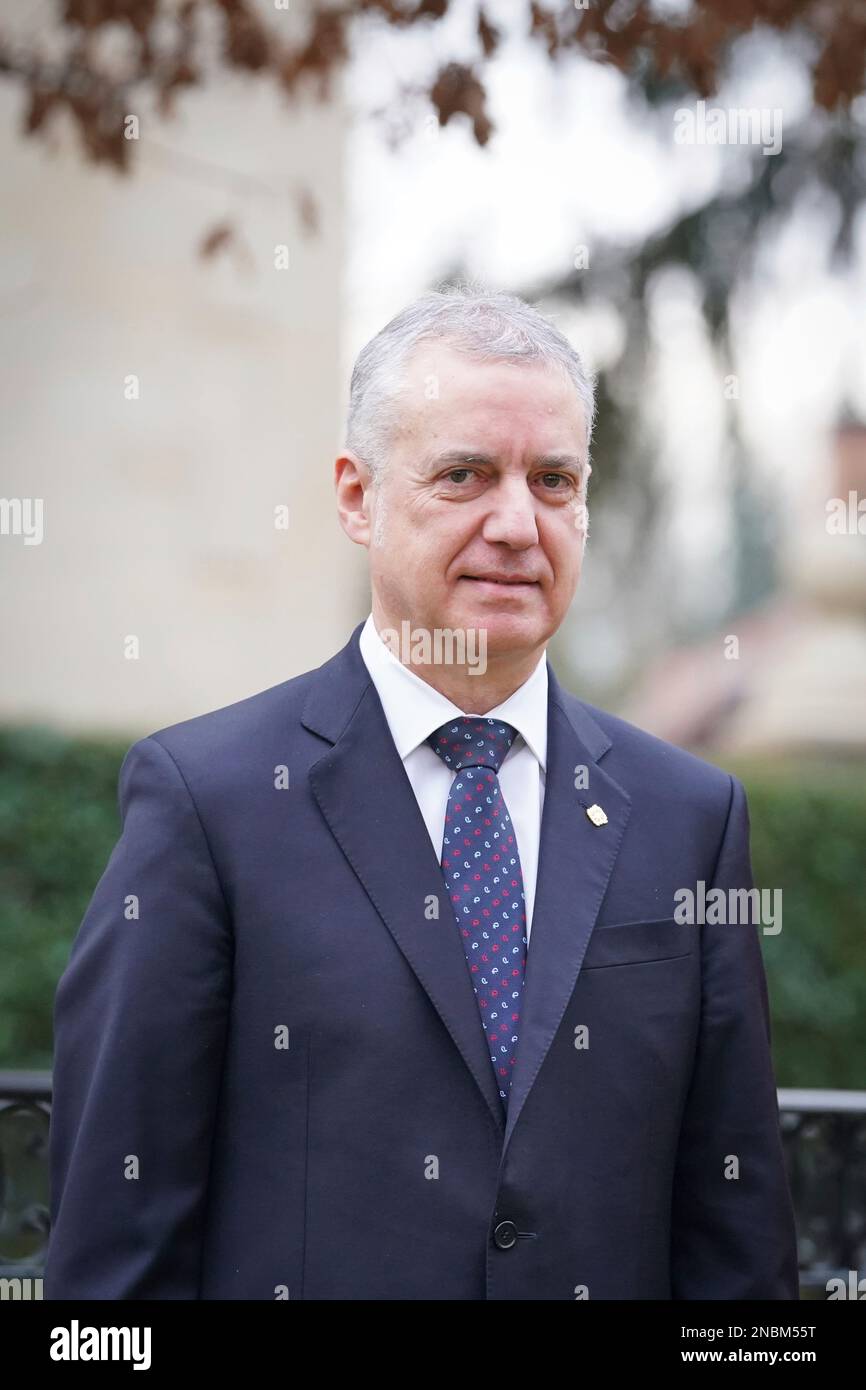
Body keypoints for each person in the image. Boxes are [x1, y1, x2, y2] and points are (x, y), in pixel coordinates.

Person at [44, 286, 800, 1300]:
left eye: (552, 479)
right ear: (356, 496)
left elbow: (735, 1245)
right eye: (464, 475)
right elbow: (113, 1263)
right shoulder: (206, 803)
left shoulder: (688, 818)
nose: (516, 525)